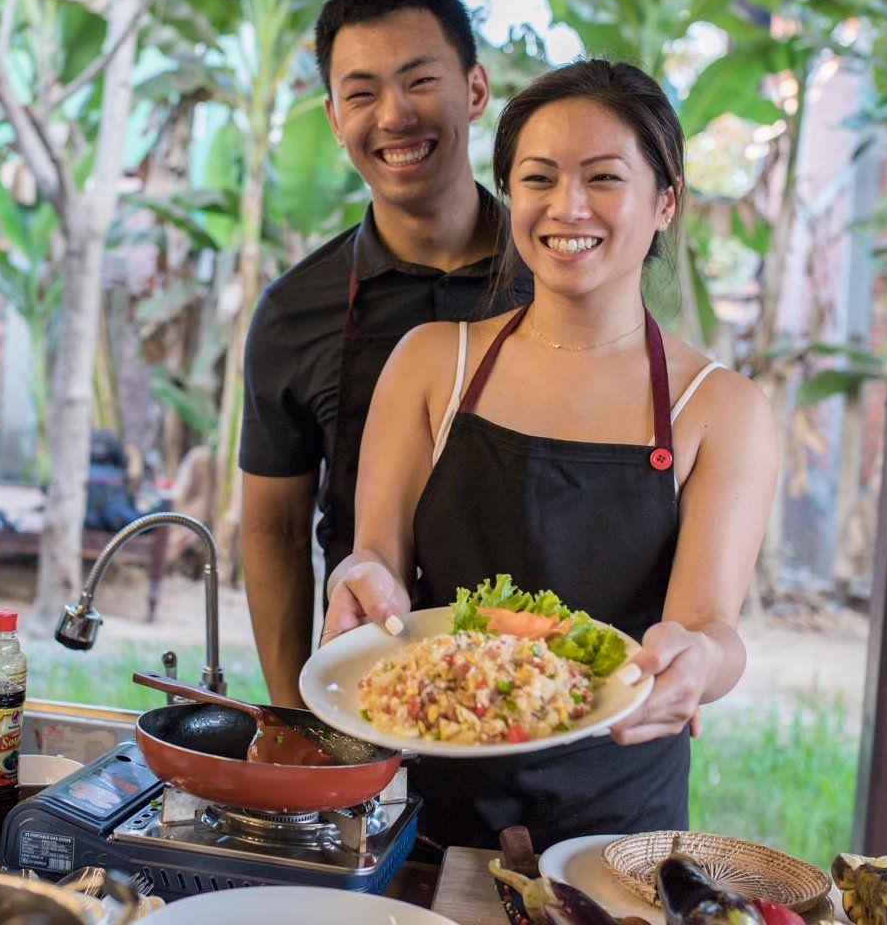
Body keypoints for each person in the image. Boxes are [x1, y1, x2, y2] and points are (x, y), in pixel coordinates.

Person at [323, 60, 778, 850]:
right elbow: (378, 564)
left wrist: (698, 660)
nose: (568, 207)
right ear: (511, 195)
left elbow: (711, 626)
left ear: (665, 201)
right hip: (432, 791)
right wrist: (360, 580)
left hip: (617, 823)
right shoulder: (432, 363)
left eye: (604, 178)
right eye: (539, 178)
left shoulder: (721, 409)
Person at [239, 0, 531, 706]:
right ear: (336, 120)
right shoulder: (293, 311)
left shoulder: (559, 279)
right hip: (373, 696)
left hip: (544, 697)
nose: (394, 116)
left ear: (475, 88)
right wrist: (294, 713)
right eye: (362, 94)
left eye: (420, 81)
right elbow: (274, 529)